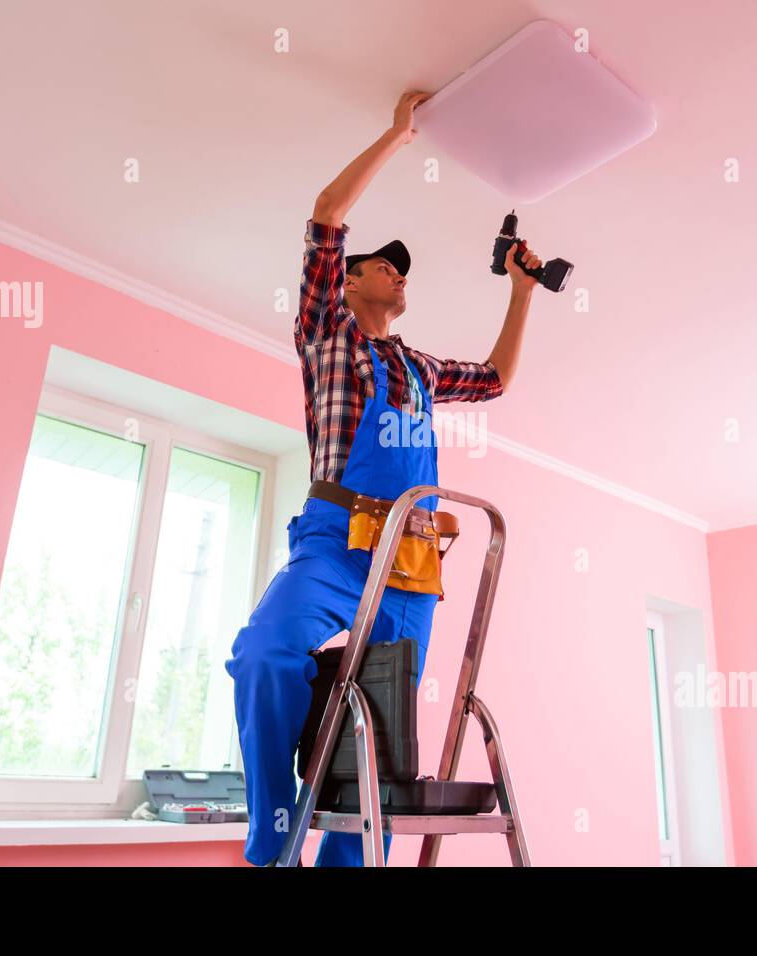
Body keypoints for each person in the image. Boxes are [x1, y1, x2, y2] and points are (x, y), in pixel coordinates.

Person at [224, 90, 541, 867]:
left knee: (383, 729)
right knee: (267, 654)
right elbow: (329, 211)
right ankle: (272, 831)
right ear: (350, 281)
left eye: (404, 272)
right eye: (382, 266)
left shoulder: (423, 369)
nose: (398, 275)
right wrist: (399, 134)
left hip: (412, 559)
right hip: (336, 540)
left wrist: (521, 292)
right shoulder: (325, 335)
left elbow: (498, 377)